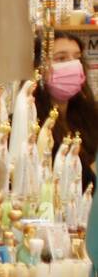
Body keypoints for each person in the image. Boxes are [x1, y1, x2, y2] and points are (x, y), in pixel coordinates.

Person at [34, 32, 98, 191]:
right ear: (38, 69)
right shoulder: (29, 124)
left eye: (77, 57)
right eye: (61, 58)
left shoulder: (91, 117)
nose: (73, 65)